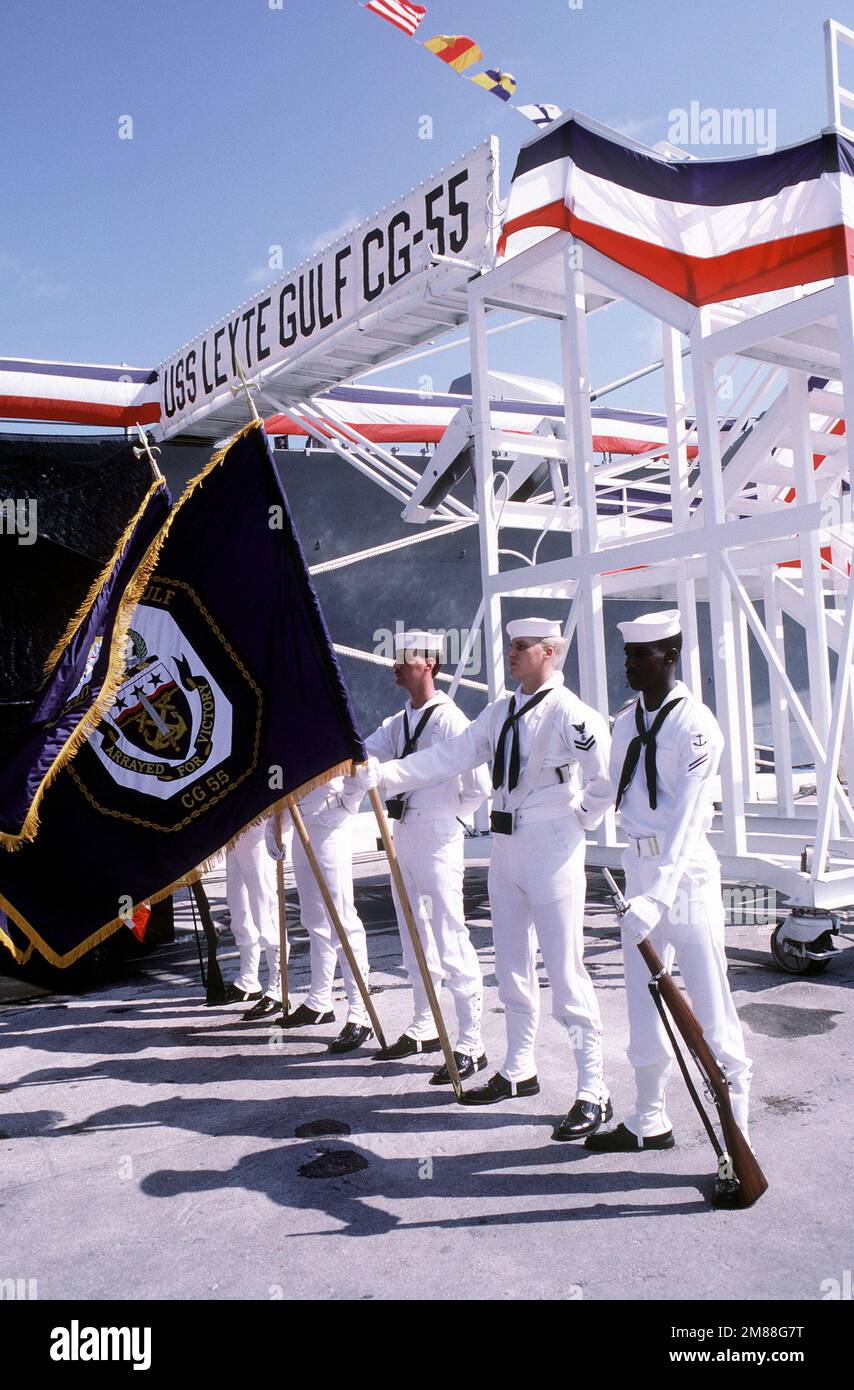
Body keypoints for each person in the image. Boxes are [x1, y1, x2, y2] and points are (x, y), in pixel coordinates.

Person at [358, 618, 613, 1139]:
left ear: (549, 653)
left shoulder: (571, 713)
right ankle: (519, 1068)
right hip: (507, 846)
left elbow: (606, 775)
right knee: (512, 965)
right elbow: (450, 756)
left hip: (552, 845)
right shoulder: (500, 711)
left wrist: (579, 818)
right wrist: (386, 774)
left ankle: (594, 1088)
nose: (512, 654)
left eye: (522, 648)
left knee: (565, 971)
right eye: (511, 646)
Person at [586, 609, 753, 1153]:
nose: (629, 665)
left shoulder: (696, 725)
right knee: (642, 1003)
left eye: (640, 656)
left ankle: (737, 1143)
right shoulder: (626, 721)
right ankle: (648, 1119)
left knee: (711, 1008)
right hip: (638, 875)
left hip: (683, 881)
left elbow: (687, 821)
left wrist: (657, 896)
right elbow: (604, 788)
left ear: (670, 657)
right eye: (627, 655)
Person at [361, 629, 491, 1084]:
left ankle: (471, 1040)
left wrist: (444, 817)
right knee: (413, 931)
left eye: (405, 659)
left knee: (449, 933)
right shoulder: (398, 722)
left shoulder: (452, 721)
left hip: (437, 834)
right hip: (404, 831)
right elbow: (364, 756)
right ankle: (424, 1024)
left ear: (429, 664)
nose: (395, 665)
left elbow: (477, 788)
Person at [266, 775, 373, 1053]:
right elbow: (289, 780)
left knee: (342, 920)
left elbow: (355, 761)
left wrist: (346, 804)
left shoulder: (328, 729)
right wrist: (276, 822)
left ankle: (361, 1013)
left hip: (329, 818)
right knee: (315, 920)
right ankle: (319, 1001)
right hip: (303, 819)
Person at [224, 819, 284, 1017]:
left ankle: (278, 988)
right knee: (238, 903)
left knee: (264, 906)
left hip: (258, 823)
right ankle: (248, 979)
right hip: (234, 823)